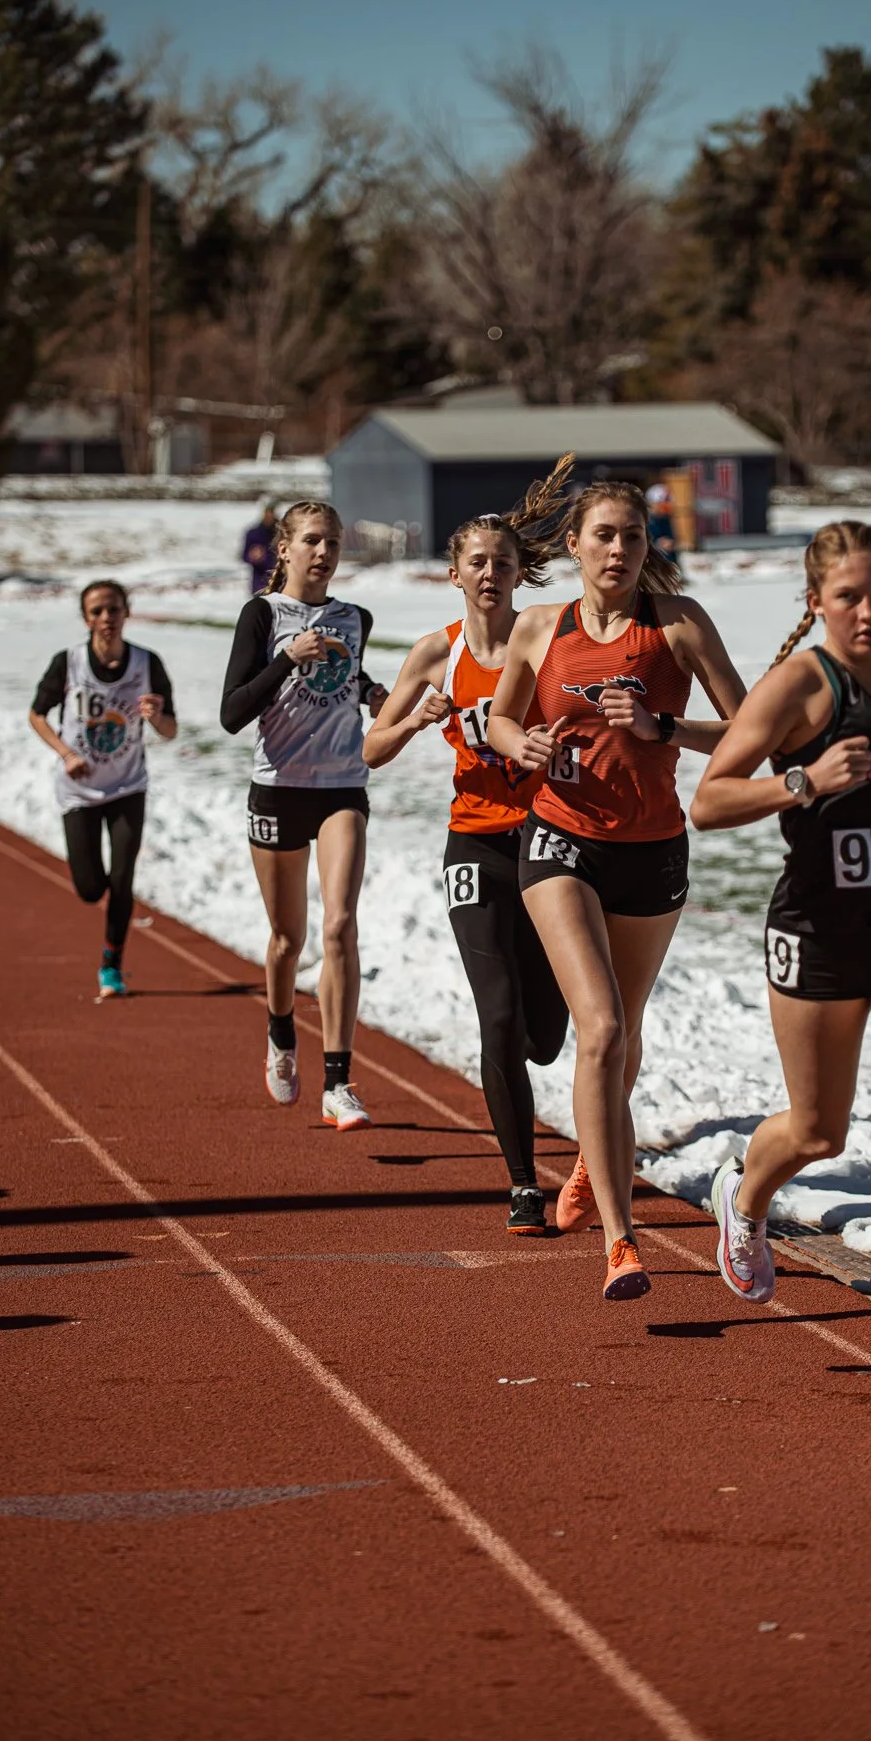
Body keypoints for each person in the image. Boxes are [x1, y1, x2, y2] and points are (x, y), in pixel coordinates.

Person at [689, 521, 871, 1413]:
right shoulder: (803, 684)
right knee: (820, 1129)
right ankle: (745, 1188)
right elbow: (708, 800)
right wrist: (804, 781)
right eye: (848, 595)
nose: (868, 609)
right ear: (816, 601)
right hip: (817, 929)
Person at [487, 470, 747, 1302]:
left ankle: (586, 1161)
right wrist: (518, 746)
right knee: (597, 1028)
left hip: (651, 851)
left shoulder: (676, 625)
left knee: (622, 1037)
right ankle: (619, 1238)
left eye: (631, 537)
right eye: (602, 535)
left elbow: (749, 732)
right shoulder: (539, 627)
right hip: (560, 838)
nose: (617, 550)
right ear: (574, 545)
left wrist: (663, 725)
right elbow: (499, 718)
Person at [364, 506, 568, 1234]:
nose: (489, 573)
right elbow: (371, 749)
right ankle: (521, 1185)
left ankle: (530, 1059)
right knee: (499, 1018)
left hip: (549, 847)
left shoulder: (545, 642)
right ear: (454, 575)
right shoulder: (435, 652)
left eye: (502, 563)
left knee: (544, 1036)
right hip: (474, 847)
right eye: (476, 562)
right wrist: (415, 720)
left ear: (519, 575)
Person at [220, 499, 385, 1130]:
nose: (324, 553)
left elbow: (350, 676)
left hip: (342, 786)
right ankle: (281, 1032)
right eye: (312, 541)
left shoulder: (355, 617)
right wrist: (288, 657)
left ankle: (339, 1081)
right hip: (279, 787)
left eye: (333, 543)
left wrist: (372, 692)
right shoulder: (261, 614)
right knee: (289, 939)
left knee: (340, 926)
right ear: (283, 549)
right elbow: (233, 713)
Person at [29, 579, 177, 997]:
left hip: (128, 785)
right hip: (79, 789)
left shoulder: (148, 664)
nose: (106, 618)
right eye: (97, 611)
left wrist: (156, 717)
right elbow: (37, 715)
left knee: (124, 877)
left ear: (127, 612)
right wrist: (65, 753)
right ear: (86, 619)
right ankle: (108, 905)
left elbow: (170, 731)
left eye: (113, 609)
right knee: (91, 887)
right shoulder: (69, 662)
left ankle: (111, 964)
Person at [242, 502, 280, 594]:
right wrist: (252, 556)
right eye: (267, 512)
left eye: (272, 512)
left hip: (279, 582)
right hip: (259, 583)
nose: (269, 515)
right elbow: (243, 555)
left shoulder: (281, 533)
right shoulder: (253, 533)